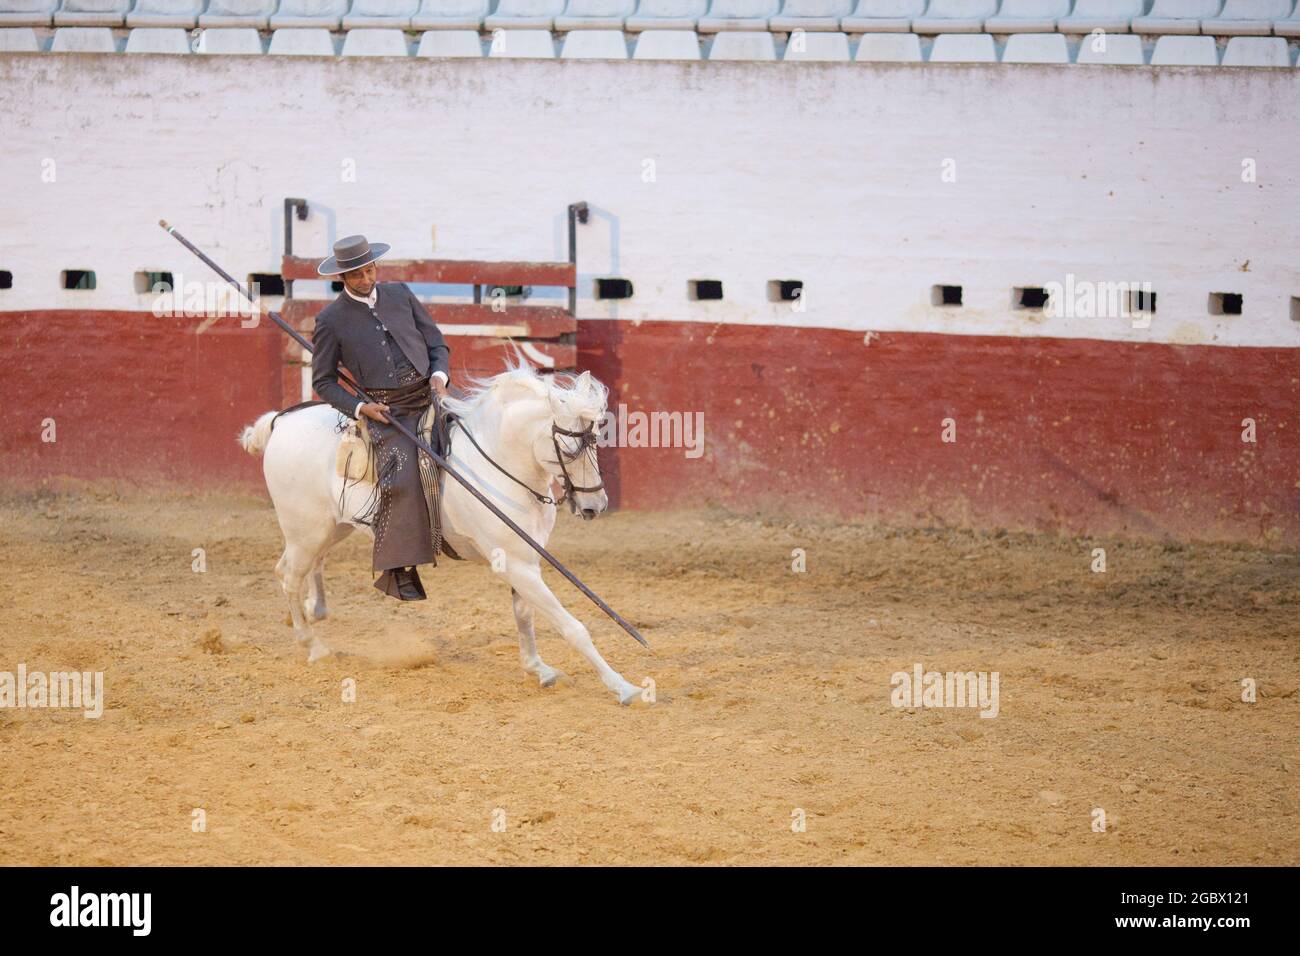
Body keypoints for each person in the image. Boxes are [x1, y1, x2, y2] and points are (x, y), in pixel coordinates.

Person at [310, 234, 450, 601]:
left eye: (369, 269)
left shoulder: (401, 294)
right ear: (342, 278)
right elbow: (323, 381)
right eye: (356, 274)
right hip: (388, 412)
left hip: (429, 393)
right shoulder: (330, 320)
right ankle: (399, 567)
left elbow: (436, 343)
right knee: (402, 469)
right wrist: (360, 408)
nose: (365, 278)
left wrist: (440, 375)